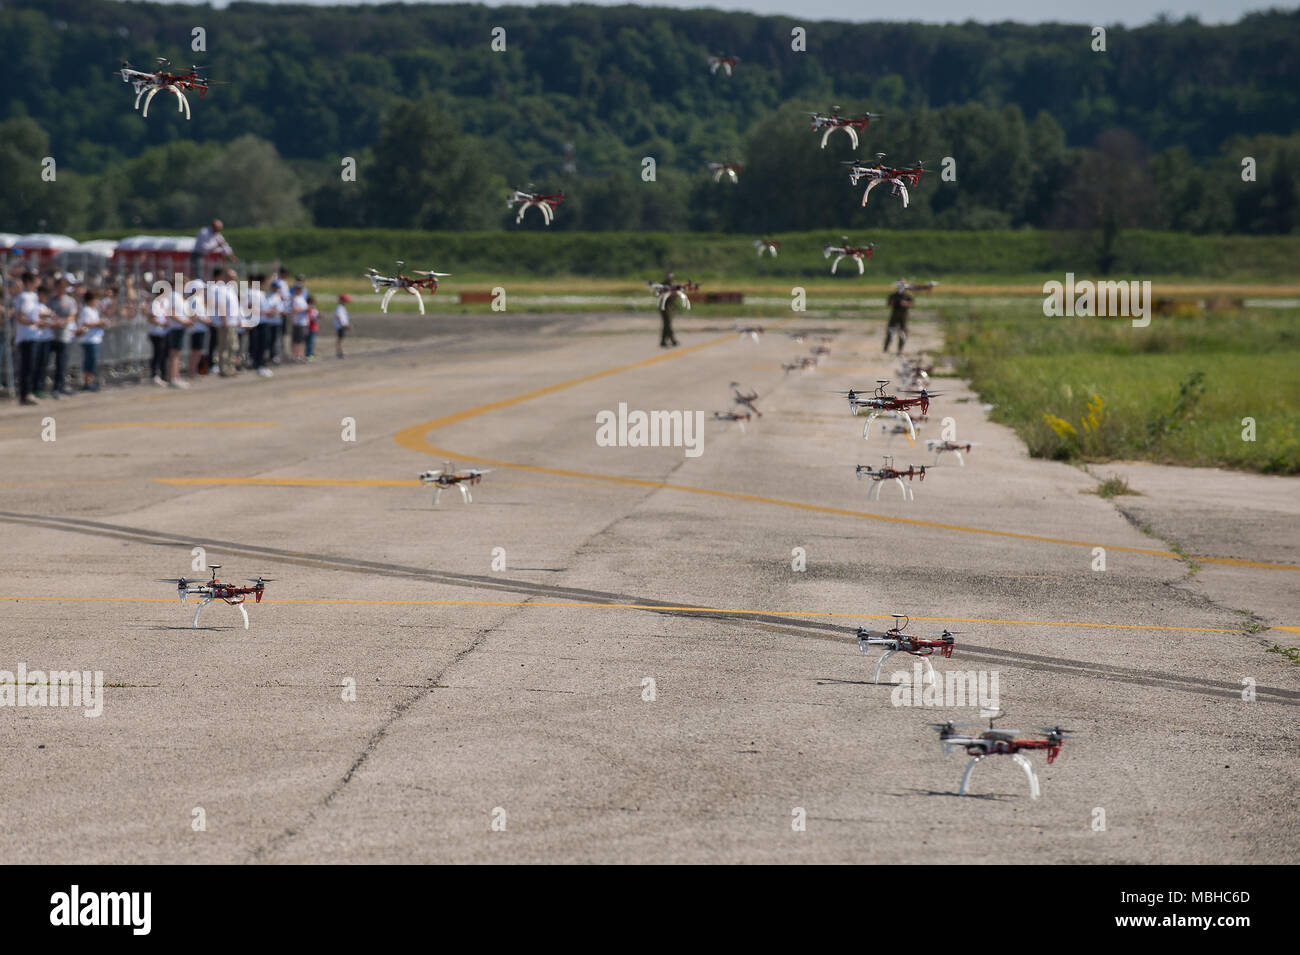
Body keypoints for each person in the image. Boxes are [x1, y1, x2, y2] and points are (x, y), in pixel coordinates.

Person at [13, 272, 46, 405]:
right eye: (35, 281)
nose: (37, 283)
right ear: (28, 282)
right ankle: (25, 394)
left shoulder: (33, 296)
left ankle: (30, 392)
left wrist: (44, 318)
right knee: (27, 366)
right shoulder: (24, 297)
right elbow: (20, 317)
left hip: (34, 335)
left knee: (33, 366)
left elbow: (34, 314)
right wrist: (35, 323)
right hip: (26, 337)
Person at [77, 289, 104, 392]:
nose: (97, 302)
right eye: (95, 299)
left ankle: (89, 382)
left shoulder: (93, 310)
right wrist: (98, 323)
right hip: (88, 340)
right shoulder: (86, 310)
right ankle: (87, 382)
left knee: (92, 362)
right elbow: (85, 323)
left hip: (95, 339)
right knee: (90, 361)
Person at [884, 278, 914, 355]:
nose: (901, 285)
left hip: (903, 316)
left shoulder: (908, 295)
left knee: (902, 333)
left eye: (902, 284)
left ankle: (900, 350)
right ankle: (886, 348)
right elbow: (889, 304)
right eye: (899, 284)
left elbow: (912, 304)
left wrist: (905, 303)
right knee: (890, 332)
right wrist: (892, 303)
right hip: (894, 315)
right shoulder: (893, 295)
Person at [659, 271, 680, 348]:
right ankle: (672, 340)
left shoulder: (672, 285)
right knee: (667, 324)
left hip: (670, 307)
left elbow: (675, 296)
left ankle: (663, 341)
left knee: (666, 324)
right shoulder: (663, 286)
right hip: (664, 307)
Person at [334, 293, 351, 358]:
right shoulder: (339, 308)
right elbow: (339, 317)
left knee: (341, 339)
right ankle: (340, 352)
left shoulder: (341, 307)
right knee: (340, 340)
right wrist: (344, 324)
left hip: (342, 326)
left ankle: (340, 352)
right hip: (340, 326)